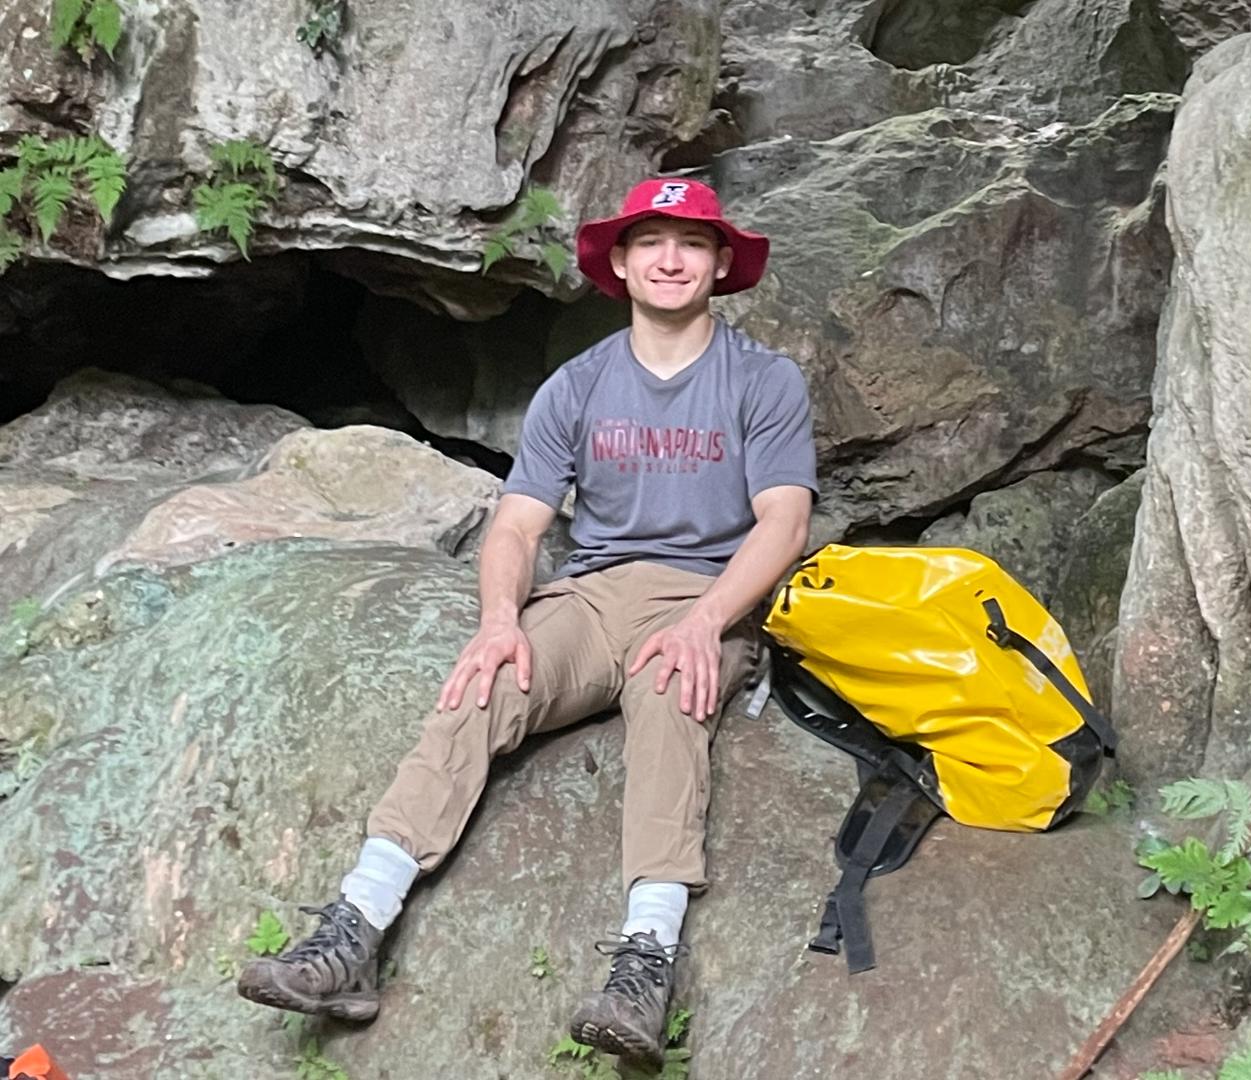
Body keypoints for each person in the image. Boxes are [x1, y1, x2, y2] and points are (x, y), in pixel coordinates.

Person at [236, 177, 816, 1067]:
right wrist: (500, 620)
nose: (670, 259)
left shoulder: (763, 380)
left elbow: (783, 520)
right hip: (590, 595)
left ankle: (645, 965)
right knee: (486, 682)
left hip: (705, 596)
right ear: (618, 264)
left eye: (692, 243)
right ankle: (353, 928)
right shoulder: (576, 387)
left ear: (720, 264)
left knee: (672, 695)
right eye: (651, 242)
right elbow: (516, 524)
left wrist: (707, 623)